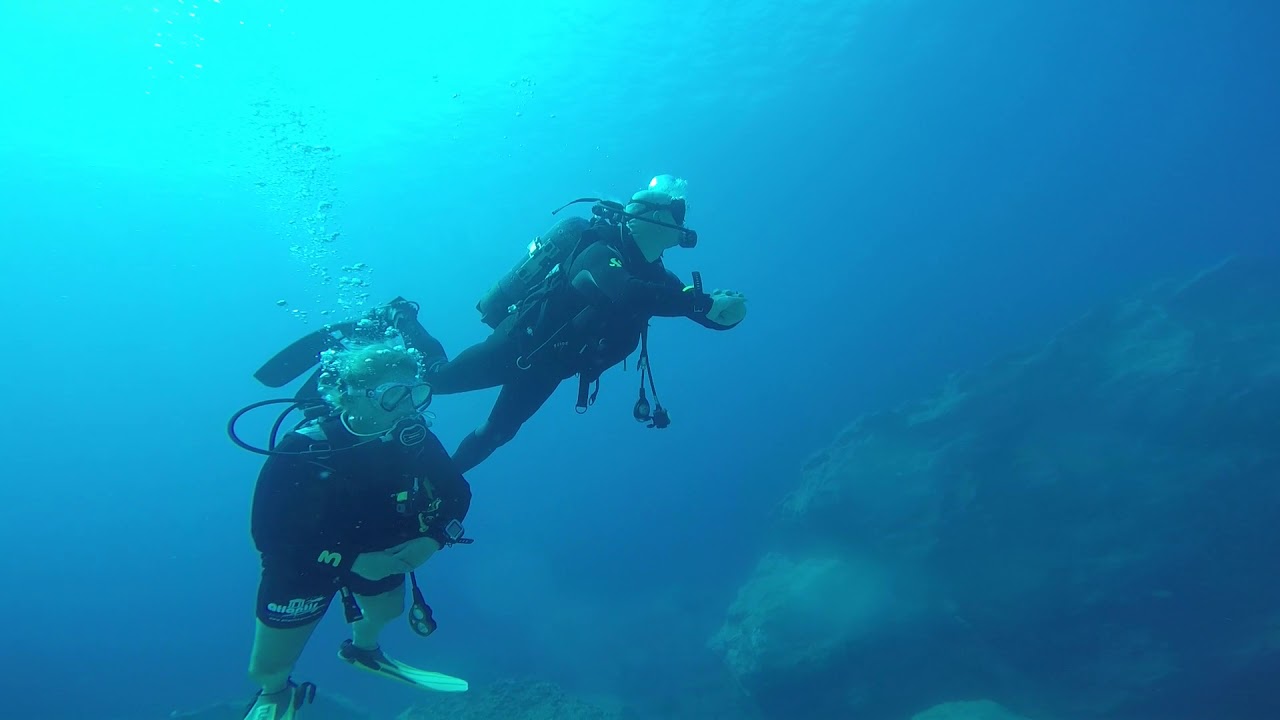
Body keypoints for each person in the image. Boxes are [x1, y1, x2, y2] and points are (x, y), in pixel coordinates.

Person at [414, 173, 749, 473]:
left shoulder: (657, 277)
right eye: (678, 210)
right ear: (654, 215)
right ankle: (403, 317)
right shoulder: (599, 249)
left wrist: (725, 313)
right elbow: (627, 293)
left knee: (497, 433)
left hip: (550, 370)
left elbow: (695, 310)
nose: (683, 220)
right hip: (518, 344)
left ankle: (441, 484)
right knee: (435, 381)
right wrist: (703, 303)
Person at [234, 340, 473, 720]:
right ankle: (275, 692)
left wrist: (434, 539)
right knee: (268, 667)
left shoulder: (415, 439)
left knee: (388, 610)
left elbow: (457, 493)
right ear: (351, 395)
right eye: (394, 395)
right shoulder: (303, 447)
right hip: (306, 562)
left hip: (381, 549)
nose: (409, 407)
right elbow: (269, 534)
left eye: (415, 393)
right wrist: (350, 560)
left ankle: (363, 650)